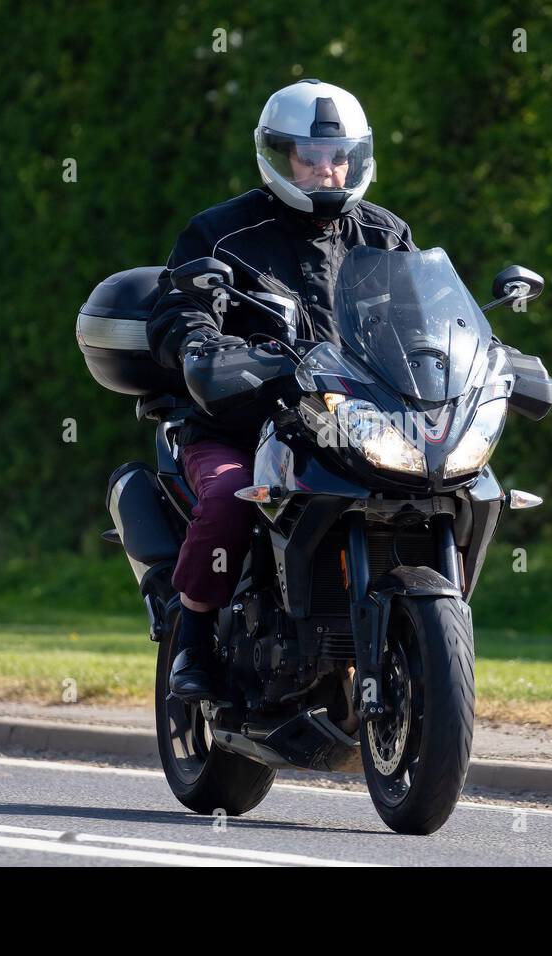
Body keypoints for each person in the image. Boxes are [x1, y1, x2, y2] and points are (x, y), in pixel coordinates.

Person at [147, 79, 416, 700]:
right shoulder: (222, 233)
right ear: (278, 155)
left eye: (339, 157)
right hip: (241, 422)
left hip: (359, 426)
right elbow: (179, 309)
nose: (328, 172)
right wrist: (196, 344)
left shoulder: (385, 235)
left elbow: (423, 320)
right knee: (231, 498)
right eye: (311, 158)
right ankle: (192, 634)